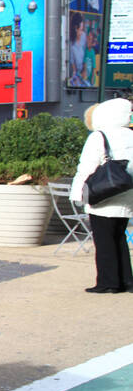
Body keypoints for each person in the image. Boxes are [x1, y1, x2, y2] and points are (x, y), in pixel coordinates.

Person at [70, 97, 133, 293]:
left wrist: (78, 194)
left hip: (103, 195)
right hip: (126, 193)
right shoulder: (130, 135)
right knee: (119, 236)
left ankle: (108, 282)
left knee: (104, 239)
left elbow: (86, 168)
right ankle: (126, 281)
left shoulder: (99, 136)